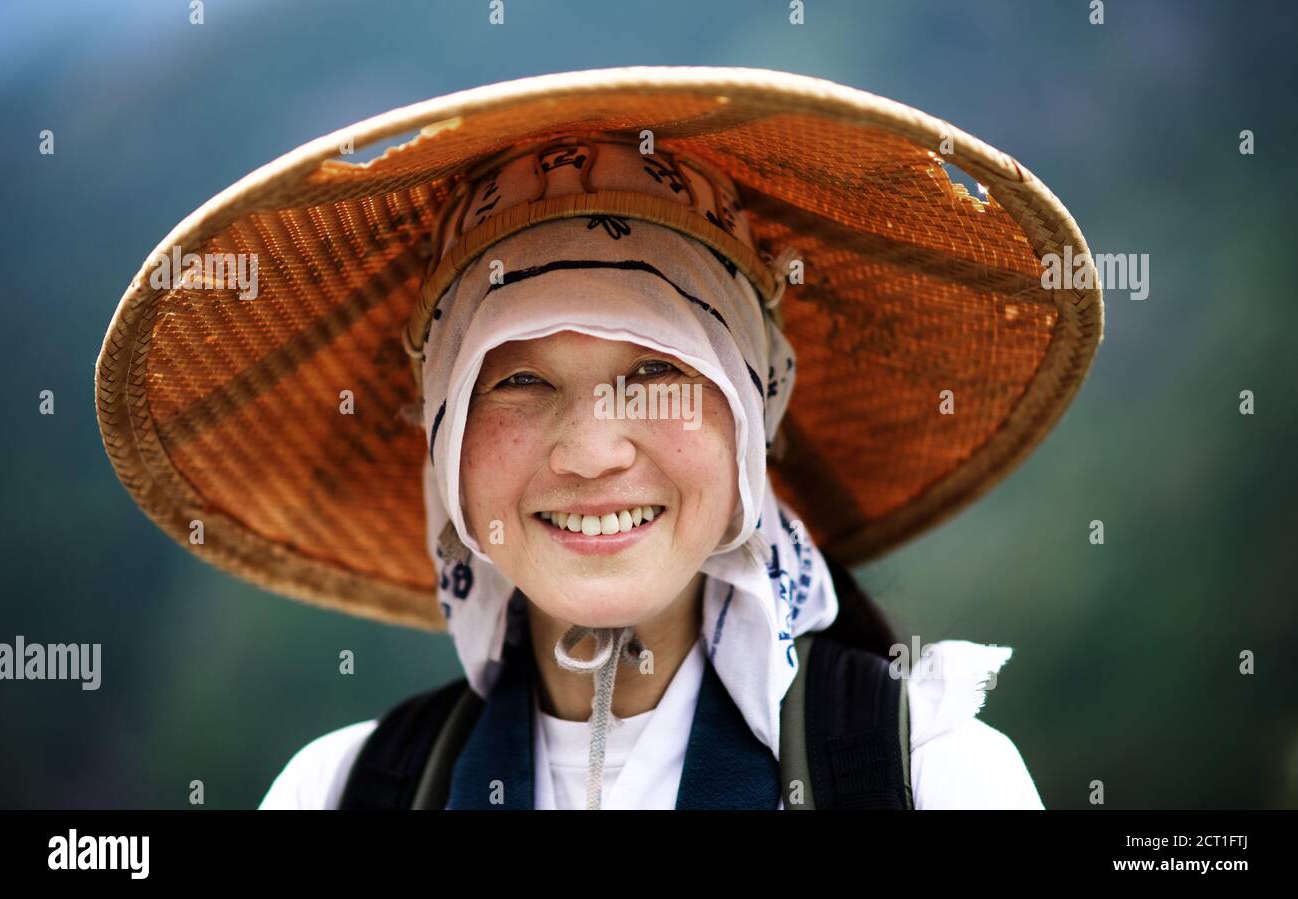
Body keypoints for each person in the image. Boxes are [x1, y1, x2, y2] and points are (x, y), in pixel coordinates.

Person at [94, 67, 1103, 811]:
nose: (590, 450)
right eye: (520, 380)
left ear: (752, 411)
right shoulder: (341, 789)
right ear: (443, 440)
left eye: (657, 371)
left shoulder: (928, 775)